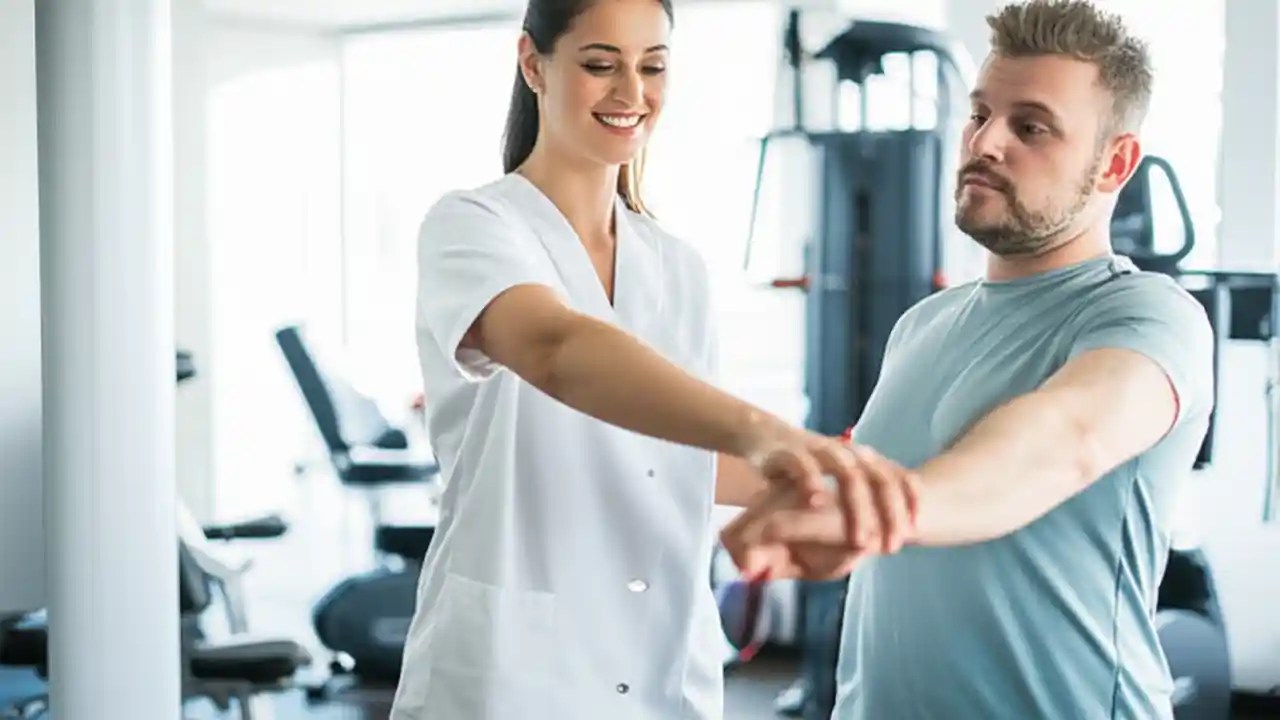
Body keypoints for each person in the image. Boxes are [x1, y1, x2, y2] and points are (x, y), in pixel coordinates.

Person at [388, 1, 918, 718]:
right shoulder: (474, 226)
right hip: (512, 670)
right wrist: (767, 432)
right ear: (532, 63)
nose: (631, 93)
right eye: (600, 64)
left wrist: (833, 475)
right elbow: (559, 350)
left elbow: (683, 460)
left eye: (653, 66)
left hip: (663, 663)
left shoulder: (677, 266)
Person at [721, 1, 1215, 718]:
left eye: (1031, 126)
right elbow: (852, 467)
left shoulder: (1147, 316)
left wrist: (880, 515)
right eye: (980, 113)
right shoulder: (925, 322)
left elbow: (1065, 440)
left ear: (1114, 163)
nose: (987, 142)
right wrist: (623, 451)